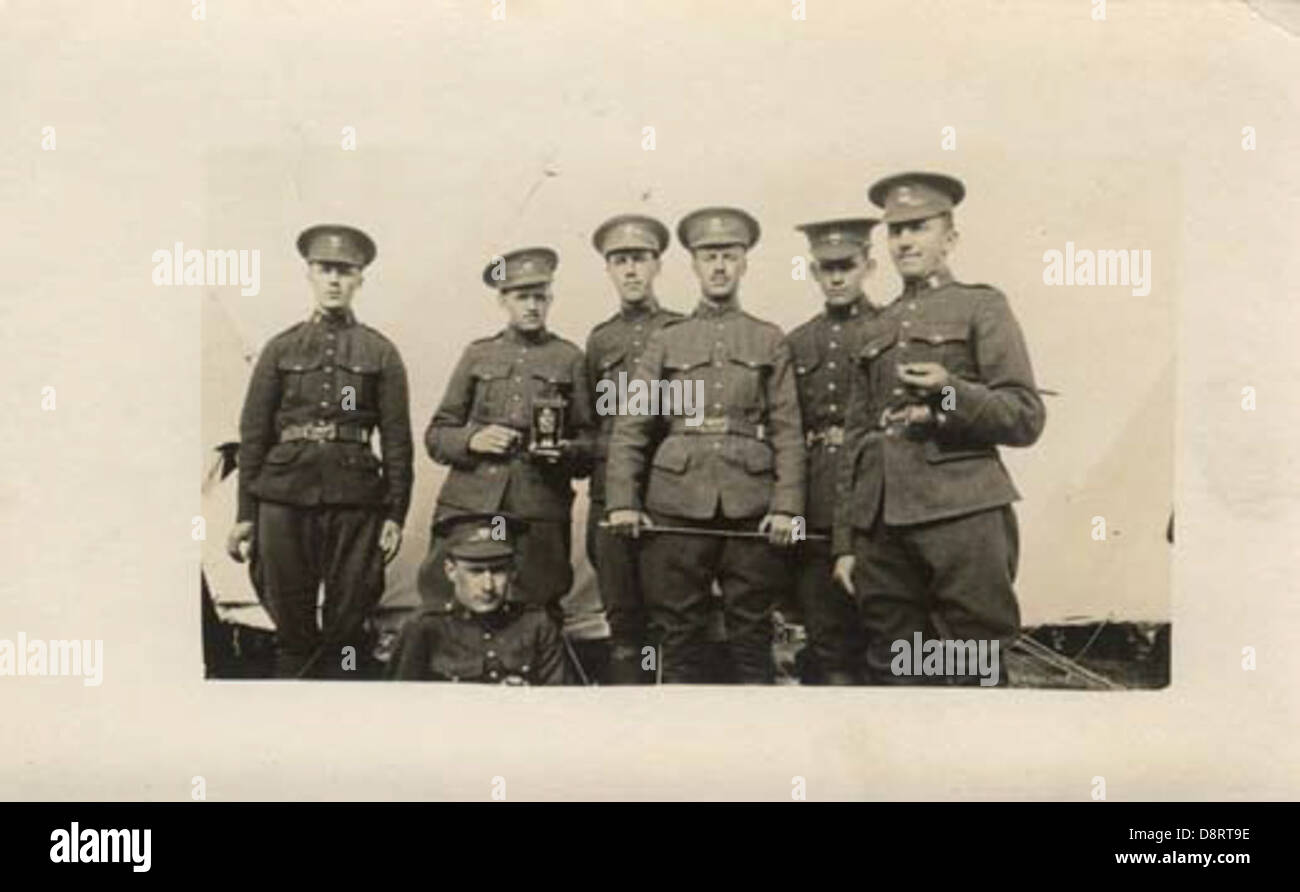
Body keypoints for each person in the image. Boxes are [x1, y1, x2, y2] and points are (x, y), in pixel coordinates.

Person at [831, 172, 1046, 685]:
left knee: (973, 662)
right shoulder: (874, 327)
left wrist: (949, 390)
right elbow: (856, 438)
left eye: (919, 227)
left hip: (961, 516)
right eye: (896, 230)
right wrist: (846, 540)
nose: (905, 240)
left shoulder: (981, 306)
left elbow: (1024, 415)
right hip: (882, 527)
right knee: (897, 663)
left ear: (950, 238)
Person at [605, 207, 805, 684]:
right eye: (709, 256)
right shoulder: (666, 340)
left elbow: (787, 430)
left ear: (744, 264)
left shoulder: (768, 338)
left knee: (752, 630)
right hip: (675, 501)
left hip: (751, 504)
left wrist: (787, 507)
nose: (719, 267)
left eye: (729, 256)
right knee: (677, 631)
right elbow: (632, 425)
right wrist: (623, 502)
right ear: (693, 265)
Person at [225, 224, 413, 679]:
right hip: (282, 499)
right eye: (326, 269)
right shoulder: (280, 348)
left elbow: (396, 440)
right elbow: (253, 436)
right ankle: (292, 711)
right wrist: (246, 513)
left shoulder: (380, 351)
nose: (335, 280)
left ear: (360, 280)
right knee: (291, 623)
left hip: (356, 503)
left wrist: (394, 515)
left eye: (345, 272)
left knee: (349, 625)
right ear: (309, 273)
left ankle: (343, 707)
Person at [421, 248, 594, 624]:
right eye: (521, 297)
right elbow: (436, 435)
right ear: (503, 300)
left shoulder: (569, 358)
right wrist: (472, 440)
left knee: (538, 607)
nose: (532, 306)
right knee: (450, 611)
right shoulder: (477, 354)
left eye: (539, 296)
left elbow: (590, 443)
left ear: (550, 299)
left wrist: (564, 452)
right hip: (471, 503)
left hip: (537, 506)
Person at [583, 214, 683, 683]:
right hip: (609, 494)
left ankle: (668, 720)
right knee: (623, 616)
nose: (630, 271)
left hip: (668, 493)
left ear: (657, 265)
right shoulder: (601, 340)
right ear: (607, 270)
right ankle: (630, 717)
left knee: (673, 611)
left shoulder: (682, 330)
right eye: (620, 261)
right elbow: (592, 421)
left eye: (639, 259)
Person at [784, 218, 880, 684]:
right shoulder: (797, 342)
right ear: (813, 272)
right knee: (824, 632)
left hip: (876, 492)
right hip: (817, 499)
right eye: (827, 268)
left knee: (882, 628)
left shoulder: (889, 329)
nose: (838, 277)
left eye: (848, 266)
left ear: (869, 266)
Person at [387, 513, 568, 684]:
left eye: (498, 571)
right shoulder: (425, 626)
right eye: (476, 572)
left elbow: (562, 703)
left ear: (513, 572)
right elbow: (398, 702)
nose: (488, 586)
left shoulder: (536, 624)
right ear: (451, 570)